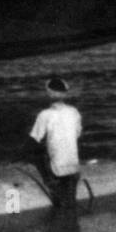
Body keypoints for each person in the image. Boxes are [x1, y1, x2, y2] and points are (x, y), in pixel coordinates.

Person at [29, 76, 82, 211]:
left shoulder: (45, 114)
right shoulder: (74, 112)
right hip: (74, 166)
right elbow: (77, 134)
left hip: (56, 169)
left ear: (50, 94)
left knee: (60, 205)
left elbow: (34, 140)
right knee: (71, 202)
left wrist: (18, 157)